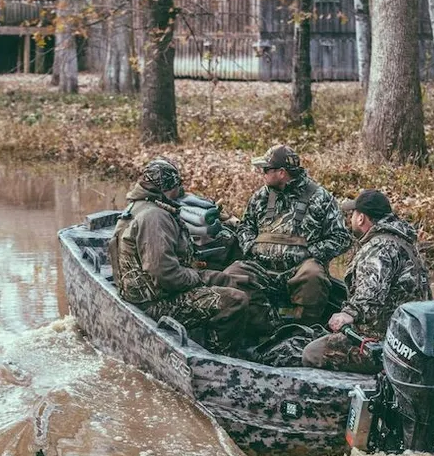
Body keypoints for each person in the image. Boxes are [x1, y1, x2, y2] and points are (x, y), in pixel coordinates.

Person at [108, 158, 250, 353]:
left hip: (141, 296)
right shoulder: (155, 217)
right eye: (177, 185)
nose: (180, 191)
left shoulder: (138, 207)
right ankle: (221, 356)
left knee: (222, 278)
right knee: (235, 299)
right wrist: (204, 277)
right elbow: (166, 274)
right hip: (155, 305)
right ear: (168, 186)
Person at [301, 189, 431, 374]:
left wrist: (347, 314)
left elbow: (370, 295)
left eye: (353, 214)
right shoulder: (406, 244)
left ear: (361, 218)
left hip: (383, 344)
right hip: (410, 340)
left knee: (312, 353)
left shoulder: (378, 247)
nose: (351, 219)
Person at [224, 145, 352, 330]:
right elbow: (245, 226)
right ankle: (263, 325)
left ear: (282, 173)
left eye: (266, 169)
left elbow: (341, 238)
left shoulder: (320, 198)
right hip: (261, 267)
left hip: (299, 270)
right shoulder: (260, 196)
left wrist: (308, 253)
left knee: (313, 276)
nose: (262, 173)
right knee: (232, 274)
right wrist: (250, 246)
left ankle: (299, 329)